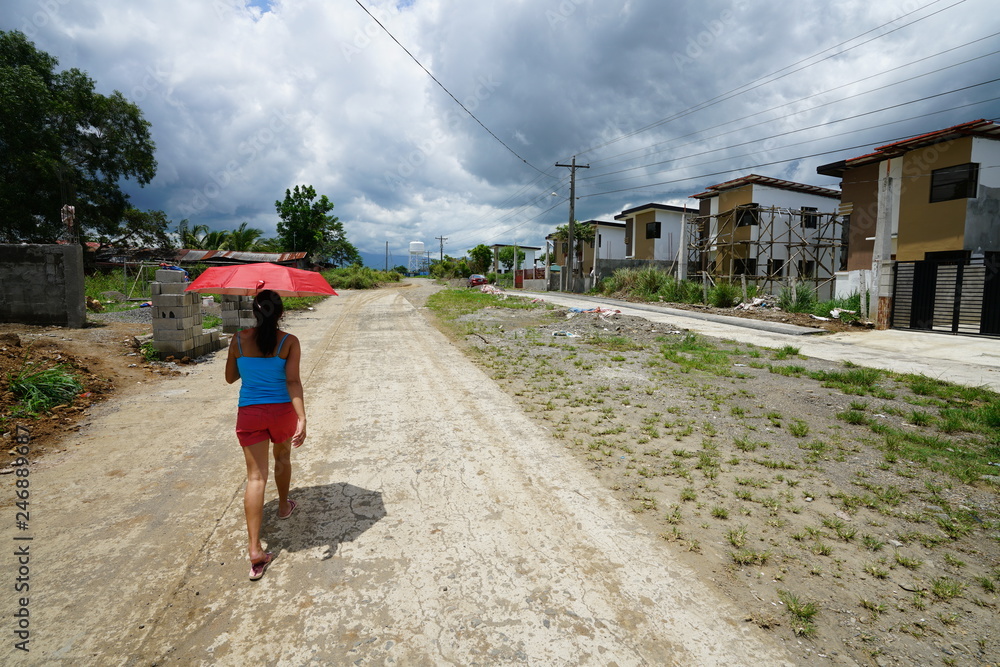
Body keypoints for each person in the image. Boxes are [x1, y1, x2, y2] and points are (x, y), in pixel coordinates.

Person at [225, 289, 307, 580]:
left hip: (250, 413)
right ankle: (284, 506)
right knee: (282, 457)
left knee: (255, 477)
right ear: (281, 312)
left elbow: (230, 377)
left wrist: (246, 361)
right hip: (282, 412)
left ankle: (255, 549)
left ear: (254, 312)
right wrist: (302, 417)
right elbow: (293, 381)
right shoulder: (289, 342)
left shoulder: (236, 340)